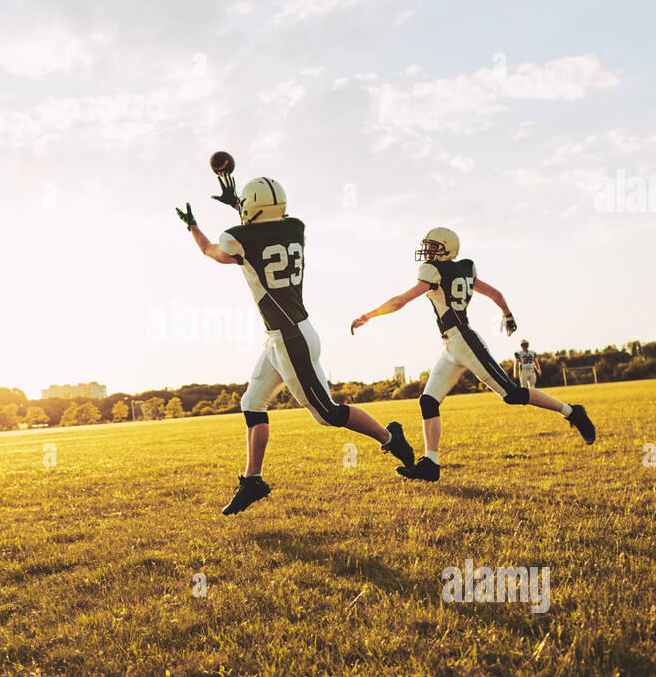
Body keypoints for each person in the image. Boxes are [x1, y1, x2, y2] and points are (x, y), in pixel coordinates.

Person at [176, 173, 414, 514]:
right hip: (287, 335)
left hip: (290, 339)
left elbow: (211, 251)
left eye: (244, 206)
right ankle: (253, 480)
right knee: (252, 402)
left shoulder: (237, 236)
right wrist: (236, 205)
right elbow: (262, 232)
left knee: (327, 414)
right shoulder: (295, 227)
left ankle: (391, 439)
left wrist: (193, 226)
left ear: (252, 208)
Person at [350, 227, 595, 482]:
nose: (428, 251)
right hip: (450, 345)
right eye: (428, 246)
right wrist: (507, 314)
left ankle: (572, 411)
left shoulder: (434, 271)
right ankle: (430, 464)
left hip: (464, 341)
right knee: (428, 401)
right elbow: (496, 294)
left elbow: (400, 301)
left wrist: (369, 315)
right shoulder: (465, 268)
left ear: (447, 248)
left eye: (433, 247)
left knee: (512, 394)